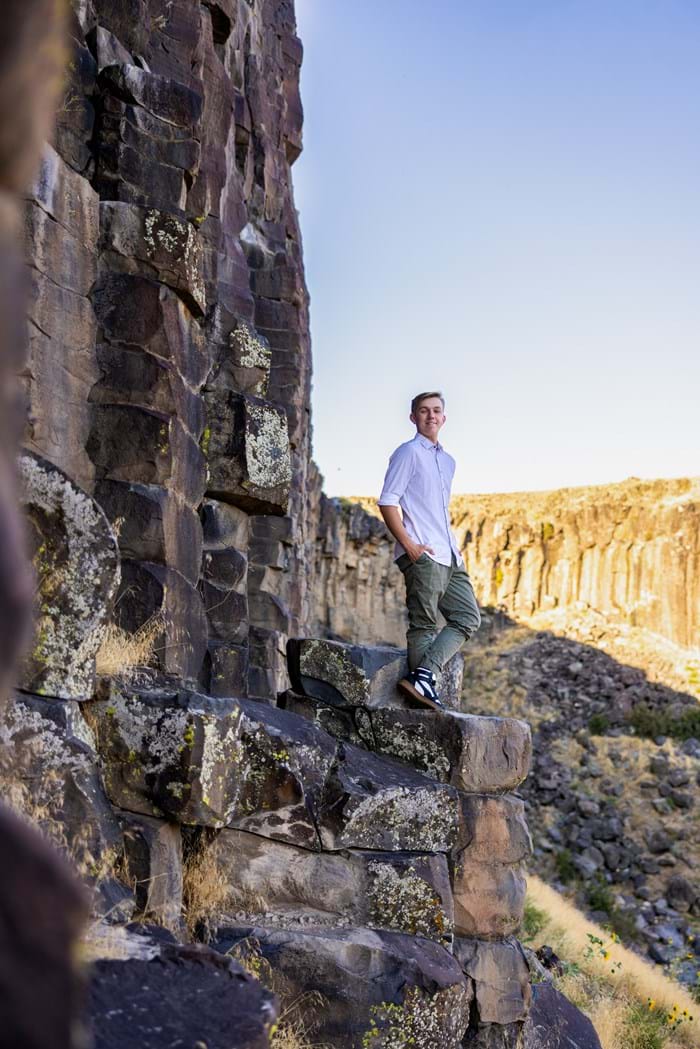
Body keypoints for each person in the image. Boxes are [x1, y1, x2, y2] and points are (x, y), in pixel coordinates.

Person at [378, 391, 481, 710]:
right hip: (422, 552)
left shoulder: (448, 462)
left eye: (436, 410)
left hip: (449, 555)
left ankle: (423, 676)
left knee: (467, 617)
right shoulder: (408, 452)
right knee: (424, 624)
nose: (431, 415)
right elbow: (388, 501)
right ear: (413, 417)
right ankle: (421, 699)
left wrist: (455, 551)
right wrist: (410, 546)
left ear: (444, 418)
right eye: (424, 411)